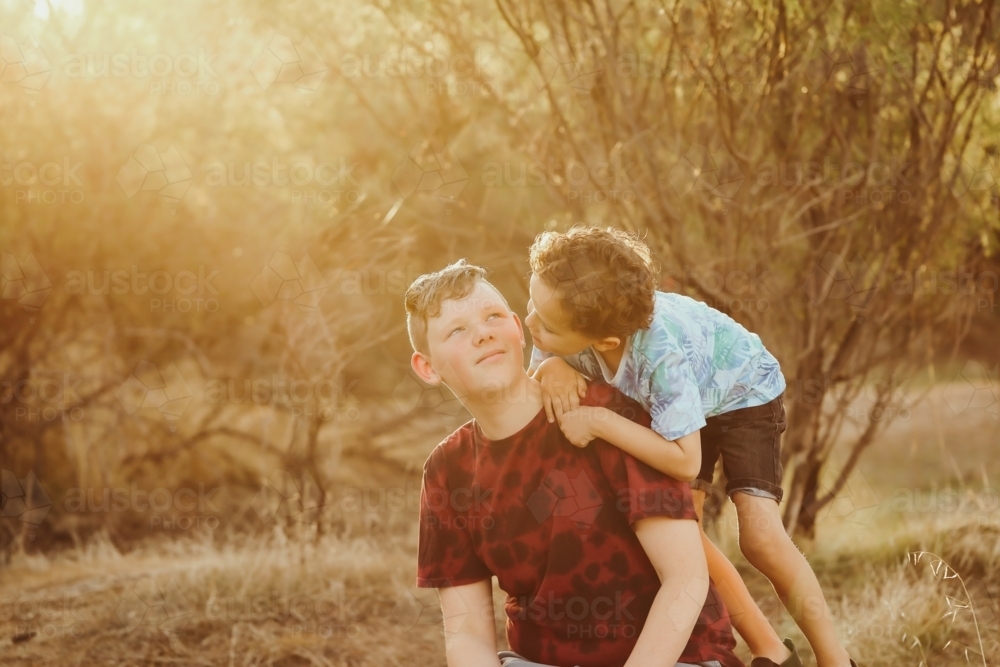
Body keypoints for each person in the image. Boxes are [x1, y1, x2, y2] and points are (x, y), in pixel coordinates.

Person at [524, 227, 856, 667]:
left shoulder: (658, 354)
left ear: (605, 342)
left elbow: (685, 461)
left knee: (759, 537)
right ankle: (772, 651)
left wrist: (600, 421)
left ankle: (836, 660)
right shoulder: (566, 325)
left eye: (545, 326)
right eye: (531, 303)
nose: (529, 324)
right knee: (686, 536)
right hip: (680, 405)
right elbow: (533, 387)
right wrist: (549, 368)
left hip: (740, 391)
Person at [406, 260, 745, 667]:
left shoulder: (607, 420)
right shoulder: (448, 470)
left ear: (518, 328)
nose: (483, 333)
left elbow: (686, 580)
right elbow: (467, 635)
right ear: (427, 367)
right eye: (457, 330)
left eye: (493, 316)